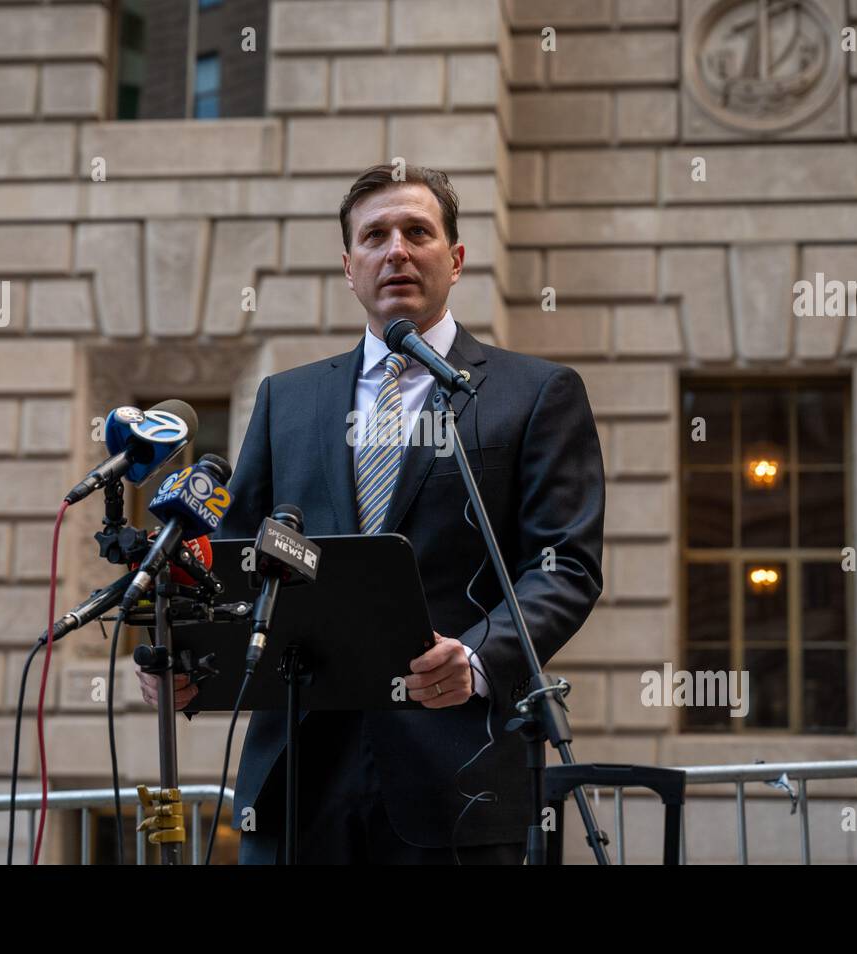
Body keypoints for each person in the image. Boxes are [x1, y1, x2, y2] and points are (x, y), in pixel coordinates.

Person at [138, 163, 605, 864]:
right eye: (375, 236)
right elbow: (232, 561)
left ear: (454, 259)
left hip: (457, 768)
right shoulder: (284, 402)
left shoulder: (536, 394)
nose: (397, 250)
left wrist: (480, 656)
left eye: (418, 231)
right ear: (349, 266)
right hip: (298, 775)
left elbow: (564, 566)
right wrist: (192, 663)